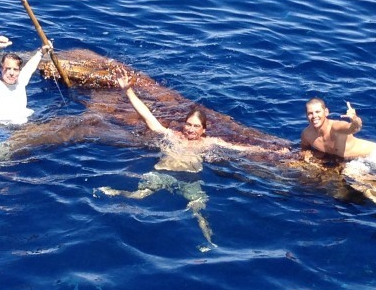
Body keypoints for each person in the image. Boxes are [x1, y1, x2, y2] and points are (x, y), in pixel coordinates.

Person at [99, 75, 264, 251]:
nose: (191, 129)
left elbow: (242, 148)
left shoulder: (209, 143)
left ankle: (208, 242)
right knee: (138, 195)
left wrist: (273, 152)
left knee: (198, 210)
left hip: (189, 180)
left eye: (196, 126)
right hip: (163, 173)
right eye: (188, 124)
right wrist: (128, 90)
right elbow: (147, 116)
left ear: (203, 129)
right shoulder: (171, 135)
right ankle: (115, 193)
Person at [299, 97, 376, 179]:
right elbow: (304, 149)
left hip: (375, 155)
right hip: (357, 161)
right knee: (349, 174)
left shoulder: (335, 127)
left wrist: (354, 119)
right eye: (310, 113)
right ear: (306, 115)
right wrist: (307, 157)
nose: (314, 116)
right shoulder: (306, 134)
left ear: (326, 112)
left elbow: (354, 128)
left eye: (318, 112)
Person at [0, 34, 49, 125]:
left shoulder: (20, 82)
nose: (11, 73)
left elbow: (29, 68)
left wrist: (41, 52)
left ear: (19, 71)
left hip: (22, 125)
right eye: (8, 69)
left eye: (15, 69)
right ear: (1, 69)